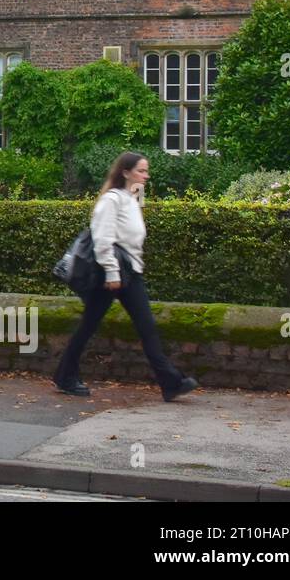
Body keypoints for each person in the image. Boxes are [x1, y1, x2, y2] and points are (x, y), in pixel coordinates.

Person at [53, 151, 198, 402]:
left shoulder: (133, 197)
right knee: (96, 326)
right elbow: (102, 239)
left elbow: (132, 237)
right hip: (112, 275)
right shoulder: (112, 200)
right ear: (125, 172)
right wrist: (111, 272)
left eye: (146, 170)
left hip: (130, 272)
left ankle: (170, 382)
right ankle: (66, 377)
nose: (146, 175)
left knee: (142, 328)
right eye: (141, 170)